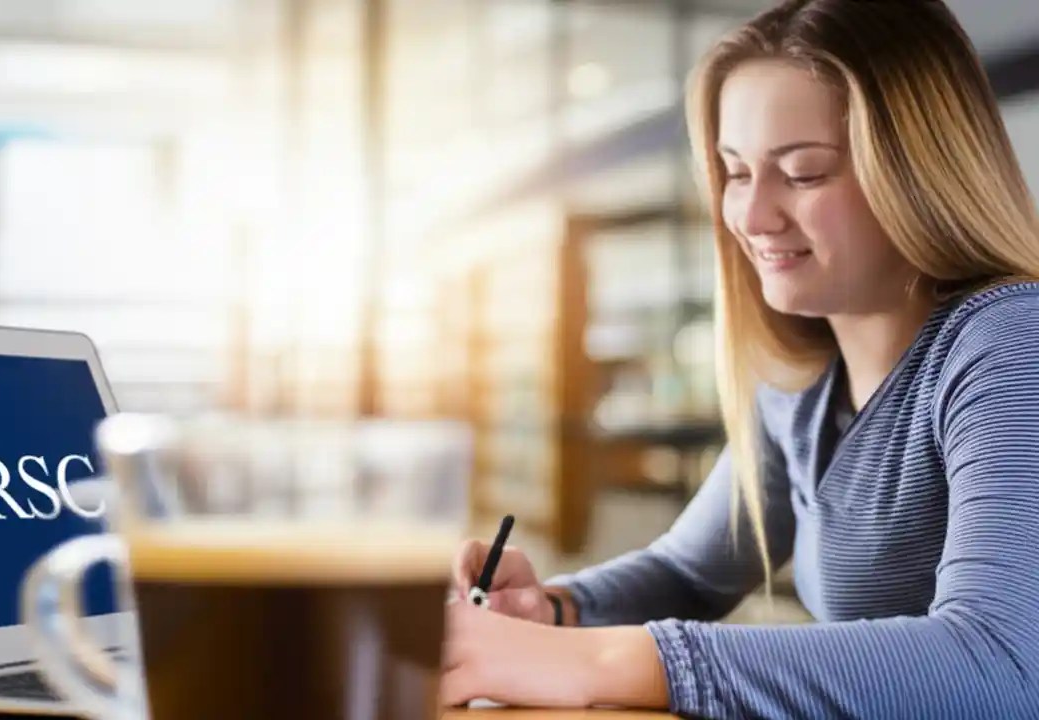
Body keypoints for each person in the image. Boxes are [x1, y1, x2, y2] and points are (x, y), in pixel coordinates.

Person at [442, 1, 1039, 717]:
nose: (752, 218)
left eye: (805, 173)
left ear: (920, 173)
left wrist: (590, 661)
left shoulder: (1011, 340)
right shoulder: (801, 383)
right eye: (735, 172)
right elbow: (689, 571)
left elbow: (999, 664)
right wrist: (556, 613)